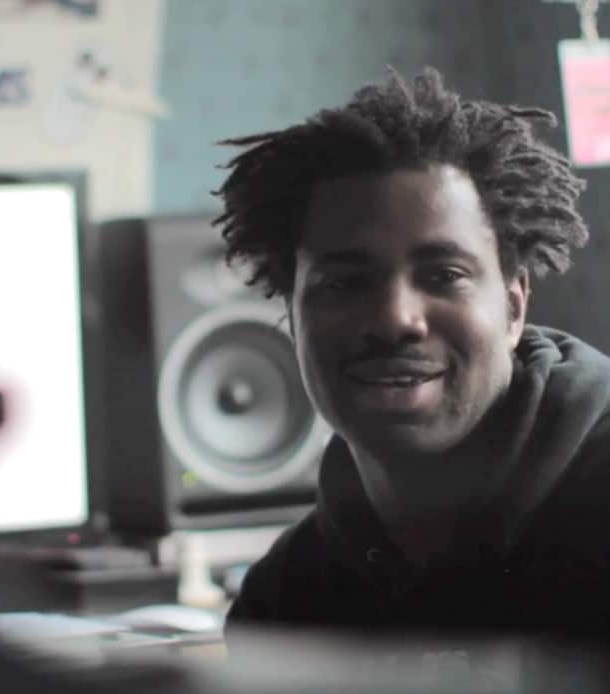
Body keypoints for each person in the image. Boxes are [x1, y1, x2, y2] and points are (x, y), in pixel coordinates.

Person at [216, 67, 610, 636]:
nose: (395, 319)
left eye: (444, 275)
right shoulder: (282, 604)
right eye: (344, 283)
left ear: (514, 307)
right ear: (293, 318)